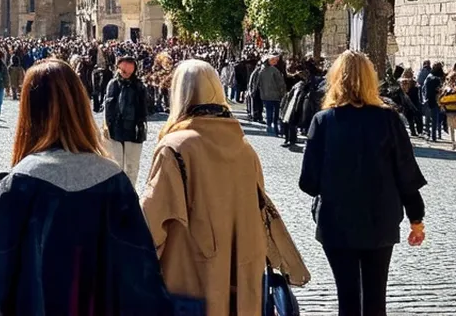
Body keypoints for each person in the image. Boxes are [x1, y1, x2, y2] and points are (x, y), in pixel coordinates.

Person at [0, 59, 180, 315]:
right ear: (81, 105)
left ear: (29, 112)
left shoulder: (18, 184)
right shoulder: (114, 181)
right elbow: (141, 272)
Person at [142, 59, 308, 316]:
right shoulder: (243, 148)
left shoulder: (174, 148)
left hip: (190, 274)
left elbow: (151, 220)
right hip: (242, 267)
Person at [299, 51, 427, 316]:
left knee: (346, 298)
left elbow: (308, 183)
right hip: (379, 220)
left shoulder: (323, 121)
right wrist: (416, 219)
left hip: (337, 221)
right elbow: (406, 175)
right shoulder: (389, 119)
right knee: (375, 299)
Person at [103, 55, 148, 184]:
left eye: (128, 71)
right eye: (123, 70)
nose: (125, 73)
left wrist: (141, 126)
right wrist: (106, 125)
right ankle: (116, 197)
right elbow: (107, 106)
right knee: (115, 166)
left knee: (132, 168)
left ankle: (131, 195)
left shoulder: (139, 86)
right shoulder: (112, 84)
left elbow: (144, 109)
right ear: (118, 68)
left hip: (134, 130)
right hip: (115, 130)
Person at [255, 54, 287, 136]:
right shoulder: (274, 70)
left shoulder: (261, 71)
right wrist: (283, 92)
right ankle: (275, 128)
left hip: (265, 95)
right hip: (275, 95)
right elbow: (281, 83)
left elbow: (257, 83)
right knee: (275, 113)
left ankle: (269, 126)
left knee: (269, 111)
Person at [439, 68, 456, 150]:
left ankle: (455, 142)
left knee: (455, 127)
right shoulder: (450, 86)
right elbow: (442, 97)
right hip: (453, 108)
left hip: (452, 108)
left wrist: (446, 101)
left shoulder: (450, 87)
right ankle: (455, 142)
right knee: (455, 127)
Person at [422, 61, 445, 142]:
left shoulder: (429, 77)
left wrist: (424, 98)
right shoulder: (440, 78)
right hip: (437, 100)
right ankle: (435, 135)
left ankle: (428, 133)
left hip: (429, 99)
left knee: (428, 118)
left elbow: (423, 88)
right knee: (436, 118)